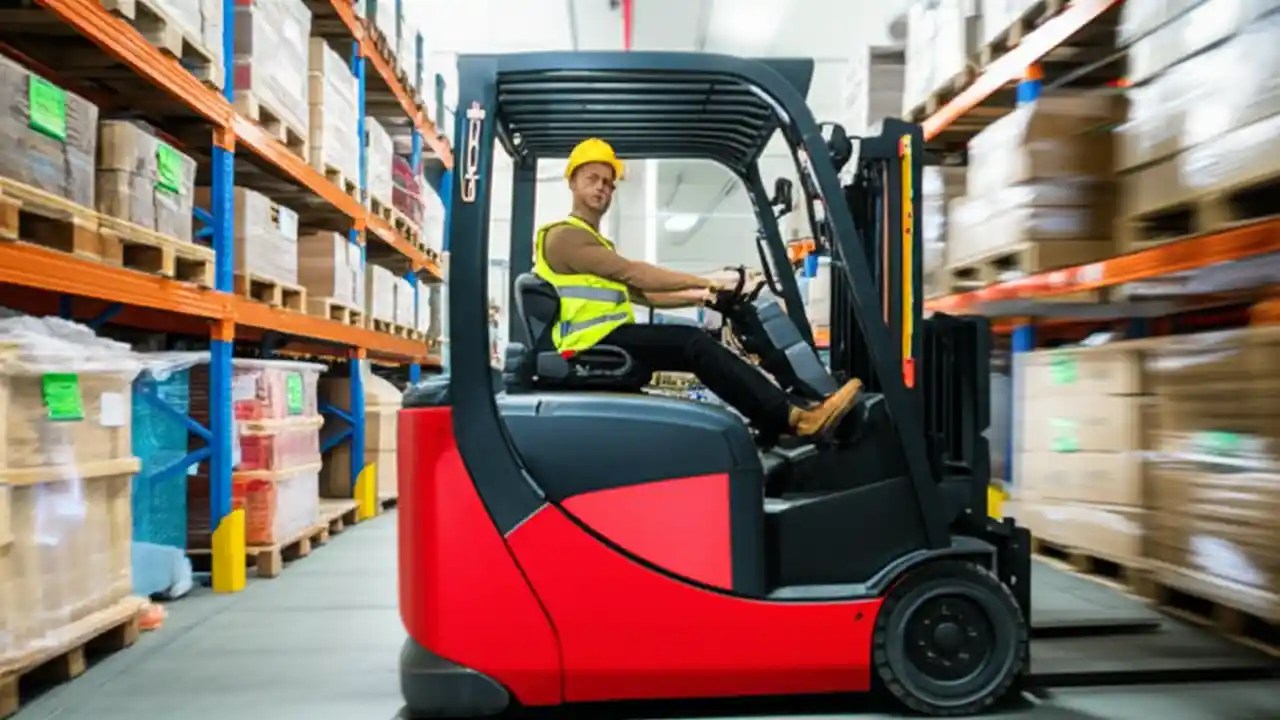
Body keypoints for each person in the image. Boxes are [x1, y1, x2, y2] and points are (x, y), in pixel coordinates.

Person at [531, 138, 861, 440]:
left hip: (605, 339)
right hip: (590, 345)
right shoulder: (564, 237)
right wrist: (706, 280)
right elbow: (636, 275)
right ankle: (792, 419)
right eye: (592, 179)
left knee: (698, 339)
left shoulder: (596, 242)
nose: (602, 187)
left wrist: (705, 297)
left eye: (608, 182)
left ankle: (774, 421)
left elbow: (646, 296)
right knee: (692, 344)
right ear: (572, 181)